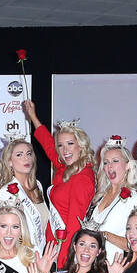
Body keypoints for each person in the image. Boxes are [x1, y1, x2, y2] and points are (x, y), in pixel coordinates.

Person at [24, 101, 96, 263]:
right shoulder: (68, 168)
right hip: (53, 243)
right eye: (61, 146)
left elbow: (74, 225)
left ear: (81, 146)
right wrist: (33, 117)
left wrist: (63, 263)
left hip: (63, 249)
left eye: (70, 144)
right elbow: (49, 146)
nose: (65, 150)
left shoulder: (82, 178)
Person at [85, 138, 137, 265]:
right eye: (106, 162)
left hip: (115, 268)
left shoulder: (136, 199)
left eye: (115, 161)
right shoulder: (99, 197)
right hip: (92, 266)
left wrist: (105, 235)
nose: (110, 166)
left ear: (128, 165)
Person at [0, 135, 52, 252]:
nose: (26, 158)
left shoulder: (37, 186)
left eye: (29, 154)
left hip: (41, 253)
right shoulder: (6, 192)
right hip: (22, 254)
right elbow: (5, 232)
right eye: (19, 155)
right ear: (10, 162)